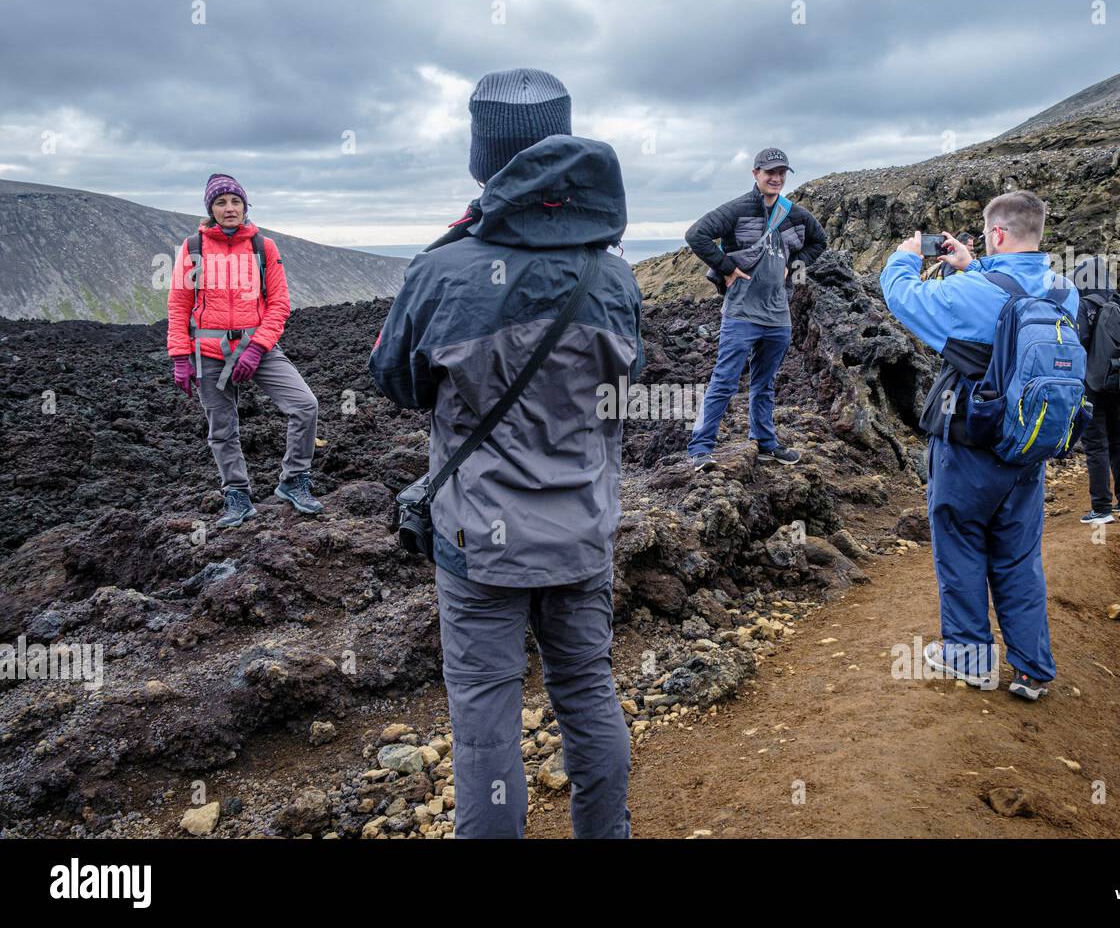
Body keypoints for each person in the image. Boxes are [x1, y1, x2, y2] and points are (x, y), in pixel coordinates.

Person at [369, 68, 642, 839]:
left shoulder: (441, 271)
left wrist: (459, 235)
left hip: (477, 543)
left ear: (481, 157)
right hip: (584, 533)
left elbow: (397, 379)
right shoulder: (614, 274)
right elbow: (627, 380)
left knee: (486, 720)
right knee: (588, 690)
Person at [879, 190, 1075, 702]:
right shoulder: (1062, 291)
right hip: (1029, 446)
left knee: (961, 543)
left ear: (997, 234)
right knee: (1018, 556)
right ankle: (1033, 669)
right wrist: (973, 264)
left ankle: (969, 658)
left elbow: (901, 297)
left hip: (970, 443)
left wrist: (904, 254)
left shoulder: (972, 293)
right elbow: (1009, 289)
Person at [167, 173, 323, 528]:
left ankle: (294, 480)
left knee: (304, 404)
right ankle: (237, 495)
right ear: (211, 209)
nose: (229, 208)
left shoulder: (263, 247)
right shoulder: (193, 248)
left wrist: (257, 348)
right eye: (221, 202)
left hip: (258, 346)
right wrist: (180, 356)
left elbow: (280, 302)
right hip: (208, 350)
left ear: (245, 206)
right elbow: (178, 304)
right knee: (222, 428)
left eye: (235, 201)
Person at [684, 148, 827, 472]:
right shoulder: (738, 209)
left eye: (781, 173)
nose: (776, 178)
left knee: (766, 383)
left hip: (778, 315)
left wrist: (795, 266)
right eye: (769, 172)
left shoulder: (796, 215)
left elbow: (820, 242)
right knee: (724, 380)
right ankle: (700, 448)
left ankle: (765, 443)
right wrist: (726, 268)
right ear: (755, 174)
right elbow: (697, 235)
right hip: (741, 313)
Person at [1072, 256, 1120, 525]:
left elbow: (1078, 343)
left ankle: (1101, 508)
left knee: (1096, 446)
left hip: (1093, 384)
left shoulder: (1084, 305)